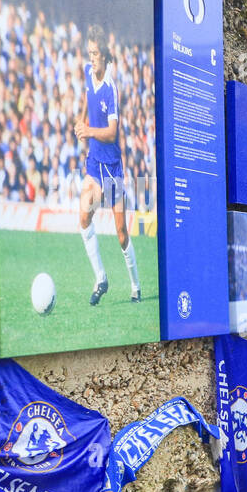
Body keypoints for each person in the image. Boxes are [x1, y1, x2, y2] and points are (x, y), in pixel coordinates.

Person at [76, 24, 140, 306]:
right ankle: (101, 278)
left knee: (121, 232)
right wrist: (81, 121)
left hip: (112, 170)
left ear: (104, 56)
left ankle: (136, 286)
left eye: (95, 54)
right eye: (89, 54)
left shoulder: (111, 89)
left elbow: (113, 132)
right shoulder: (89, 75)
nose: (92, 59)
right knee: (83, 217)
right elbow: (85, 100)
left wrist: (88, 131)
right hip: (93, 166)